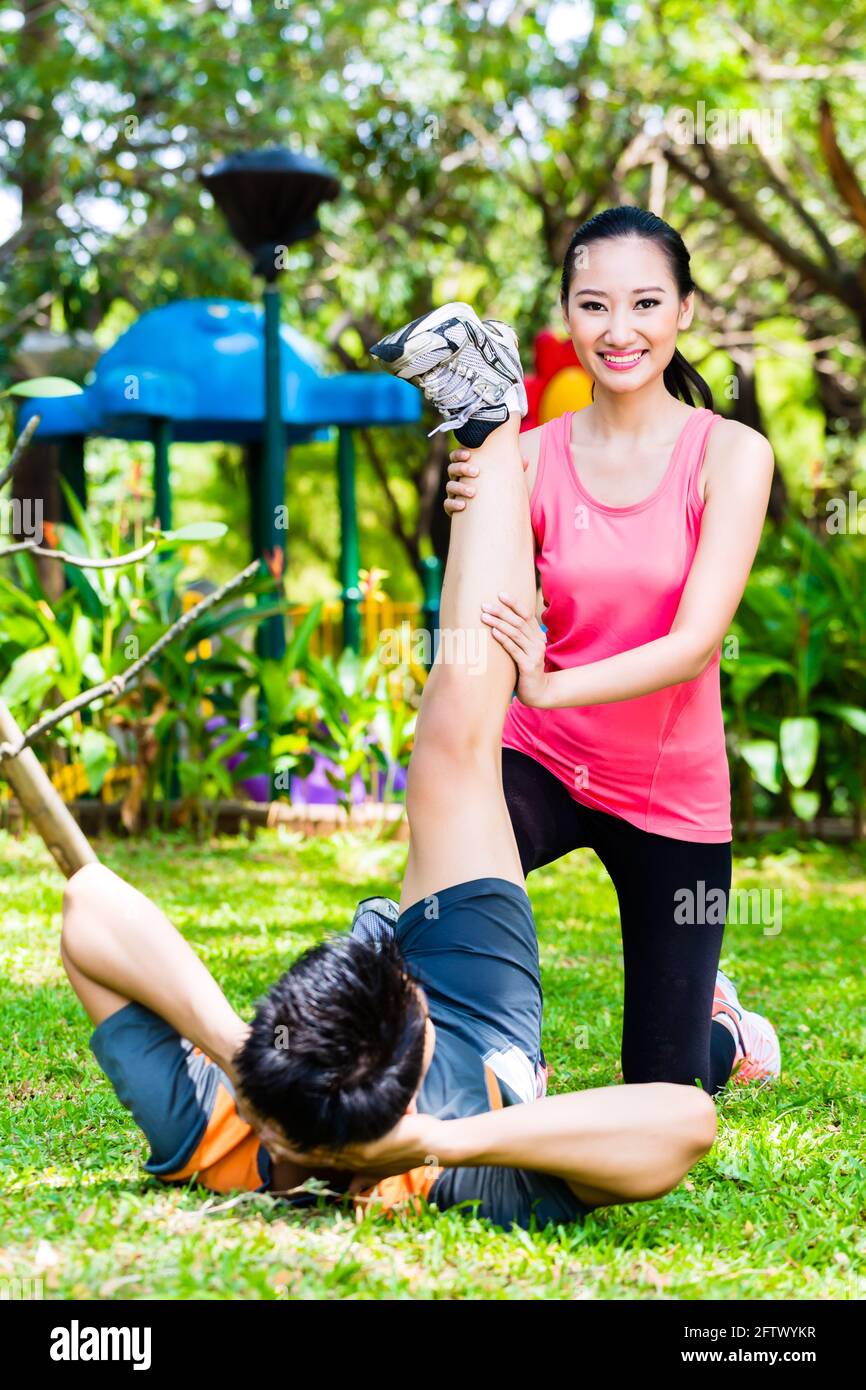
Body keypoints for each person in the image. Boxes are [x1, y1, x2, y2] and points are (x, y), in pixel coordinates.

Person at [59, 305, 716, 1231]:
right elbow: (684, 1122)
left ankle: (487, 425)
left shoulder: (215, 1133)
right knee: (455, 735)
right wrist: (436, 1143)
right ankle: (491, 424)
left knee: (446, 740)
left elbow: (92, 907)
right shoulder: (448, 1173)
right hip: (467, 994)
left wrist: (252, 1065)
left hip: (351, 1020)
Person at [439, 207, 781, 1093]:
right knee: (443, 869)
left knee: (662, 1089)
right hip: (546, 764)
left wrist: (551, 686)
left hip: (672, 797)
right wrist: (473, 500)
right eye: (594, 306)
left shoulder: (732, 455)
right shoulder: (529, 456)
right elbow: (481, 611)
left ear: (685, 311)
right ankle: (506, 1052)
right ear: (566, 316)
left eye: (645, 304)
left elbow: (695, 642)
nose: (618, 331)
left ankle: (728, 1031)